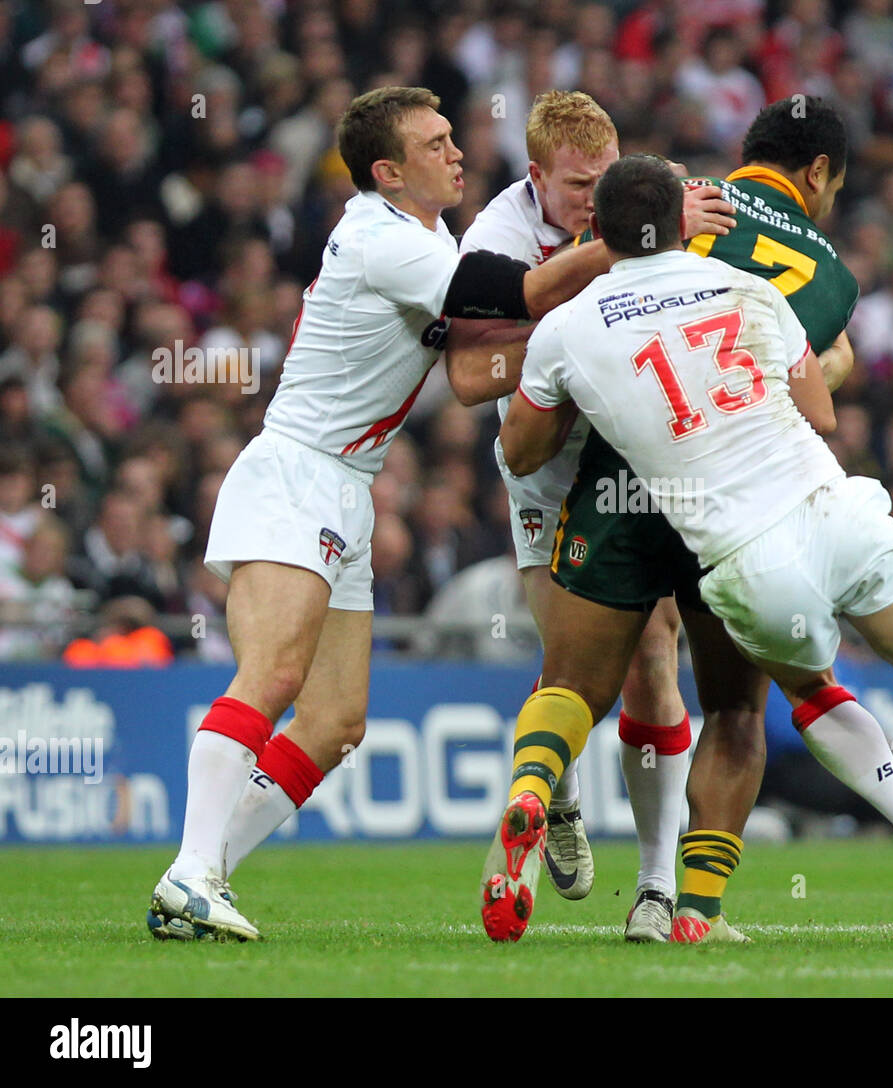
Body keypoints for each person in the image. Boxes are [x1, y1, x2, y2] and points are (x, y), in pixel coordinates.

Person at [491, 153, 893, 944]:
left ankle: (644, 866)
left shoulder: (567, 328)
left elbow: (521, 452)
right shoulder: (753, 291)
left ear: (596, 232)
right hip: (833, 509)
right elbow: (818, 410)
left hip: (748, 560)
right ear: (684, 220)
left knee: (776, 696)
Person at [147, 86, 613, 942]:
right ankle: (186, 873)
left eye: (452, 139)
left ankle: (202, 876)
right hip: (298, 471)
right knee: (274, 679)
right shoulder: (380, 237)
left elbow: (480, 361)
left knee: (333, 722)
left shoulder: (425, 234)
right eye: (435, 144)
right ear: (388, 171)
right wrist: (621, 242)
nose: (458, 152)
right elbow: (510, 289)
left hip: (346, 486)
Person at [452, 90, 737, 939]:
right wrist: (567, 344)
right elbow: (469, 378)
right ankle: (561, 799)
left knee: (654, 657)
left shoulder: (652, 199)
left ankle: (654, 887)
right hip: (543, 470)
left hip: (631, 464)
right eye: (577, 185)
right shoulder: (496, 240)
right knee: (571, 667)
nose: (594, 197)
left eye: (605, 180)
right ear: (535, 176)